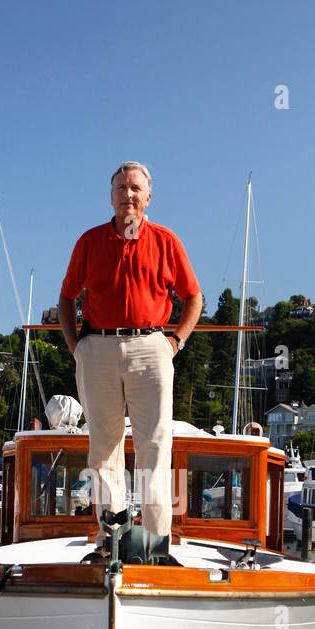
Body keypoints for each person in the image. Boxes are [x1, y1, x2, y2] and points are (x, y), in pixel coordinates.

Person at [57, 162, 202, 541]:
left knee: (155, 444)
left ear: (148, 196)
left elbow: (193, 297)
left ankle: (156, 541)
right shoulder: (88, 242)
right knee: (103, 447)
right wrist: (77, 347)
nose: (128, 194)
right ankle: (113, 539)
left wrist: (176, 341)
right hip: (97, 347)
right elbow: (67, 296)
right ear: (111, 196)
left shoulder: (166, 241)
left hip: (151, 347)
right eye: (121, 188)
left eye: (135, 188)